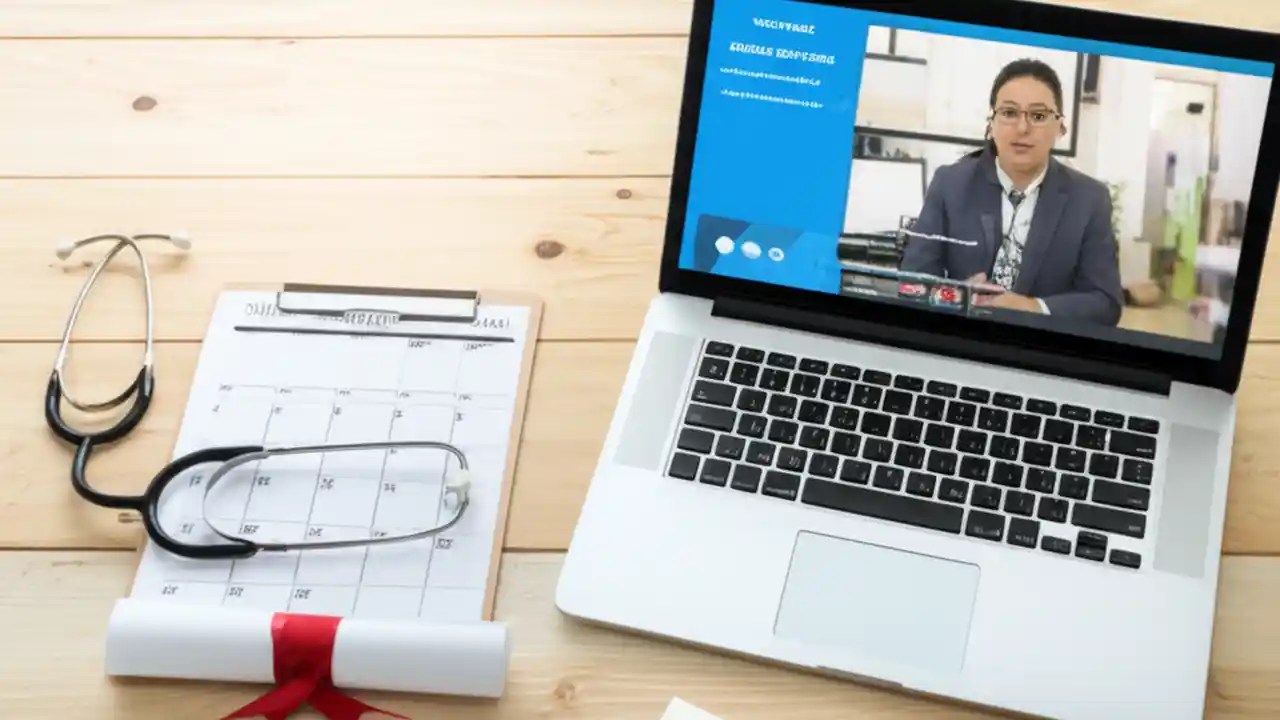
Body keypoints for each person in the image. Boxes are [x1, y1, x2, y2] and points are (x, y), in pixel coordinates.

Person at [899, 58, 1124, 325]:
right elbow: (912, 281)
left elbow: (1105, 302)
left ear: (1060, 127)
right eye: (1009, 113)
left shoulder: (1089, 199)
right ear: (991, 123)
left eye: (1038, 116)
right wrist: (956, 298)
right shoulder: (950, 183)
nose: (1022, 128)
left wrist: (1034, 308)